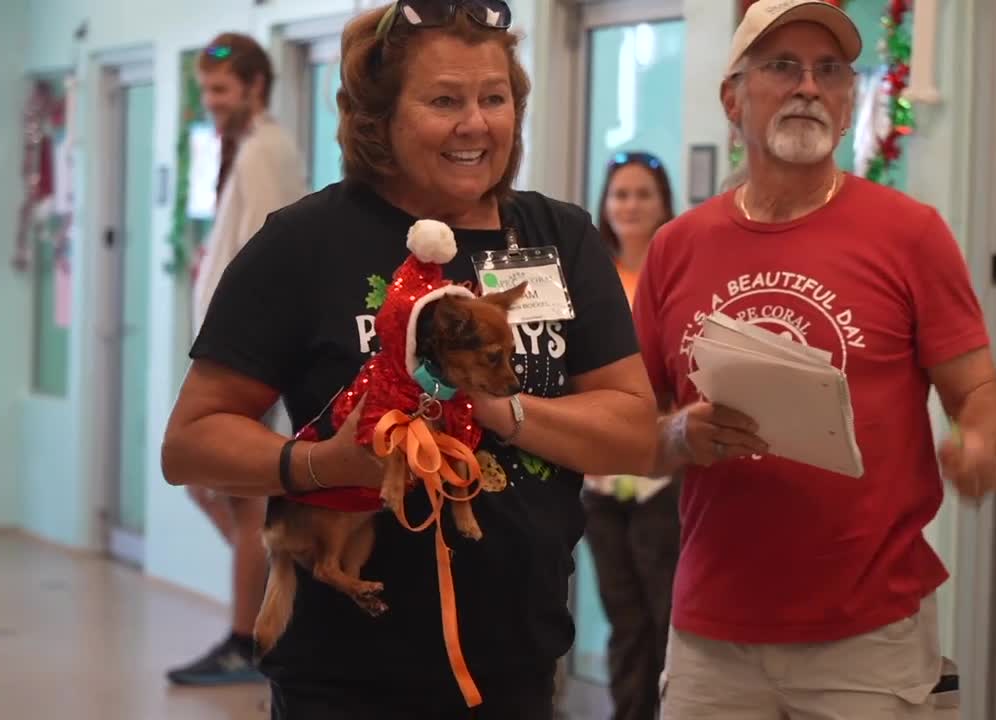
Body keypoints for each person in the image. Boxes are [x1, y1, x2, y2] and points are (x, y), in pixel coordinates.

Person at [160, 2, 657, 718]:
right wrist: (317, 464)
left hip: (519, 672)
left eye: (494, 98)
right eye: (444, 100)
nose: (476, 124)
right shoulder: (305, 245)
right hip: (345, 683)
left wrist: (493, 407)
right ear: (378, 118)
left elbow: (634, 431)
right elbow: (189, 442)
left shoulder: (561, 237)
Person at [632, 1, 996, 718]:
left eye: (830, 70)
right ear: (732, 98)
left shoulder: (910, 234)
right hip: (712, 636)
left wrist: (981, 440)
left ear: (847, 104)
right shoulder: (676, 248)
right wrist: (680, 436)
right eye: (781, 66)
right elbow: (635, 432)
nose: (808, 85)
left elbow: (980, 389)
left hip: (869, 635)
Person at [166, 32, 307, 687]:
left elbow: (272, 255)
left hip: (256, 358)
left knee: (241, 498)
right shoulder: (245, 150)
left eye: (221, 90)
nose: (212, 102)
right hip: (235, 355)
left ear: (255, 86)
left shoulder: (266, 153)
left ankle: (252, 636)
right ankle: (280, 607)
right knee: (217, 490)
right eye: (206, 90)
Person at [581, 151, 680, 720]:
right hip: (598, 474)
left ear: (665, 202)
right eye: (621, 194)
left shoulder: (675, 273)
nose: (631, 205)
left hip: (661, 472)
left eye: (643, 193)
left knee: (664, 613)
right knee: (623, 616)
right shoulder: (592, 276)